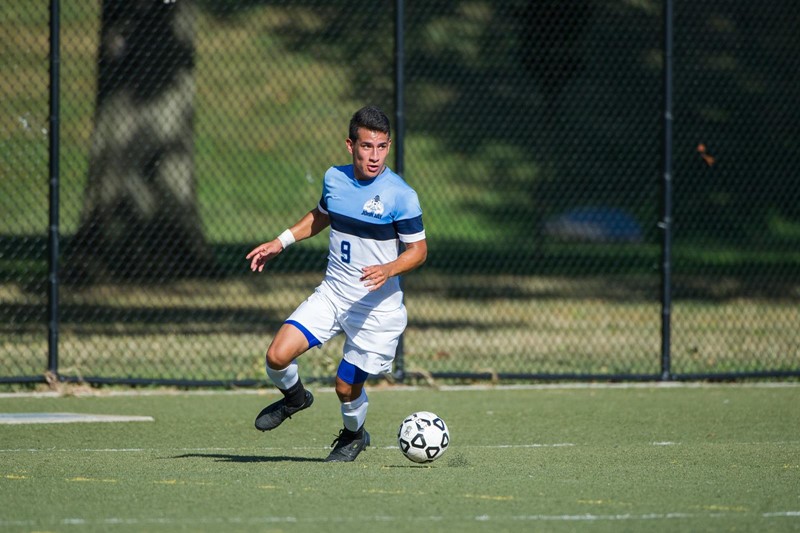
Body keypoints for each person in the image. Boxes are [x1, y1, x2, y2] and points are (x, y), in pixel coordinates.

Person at [245, 106, 427, 462]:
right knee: (276, 357)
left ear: (388, 146)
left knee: (344, 386)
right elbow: (320, 216)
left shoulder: (400, 195)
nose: (374, 156)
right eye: (366, 146)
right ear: (350, 145)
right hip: (333, 294)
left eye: (382, 147)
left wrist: (389, 269)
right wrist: (280, 241)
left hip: (377, 309)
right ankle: (295, 398)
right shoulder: (334, 179)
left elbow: (418, 251)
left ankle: (354, 434)